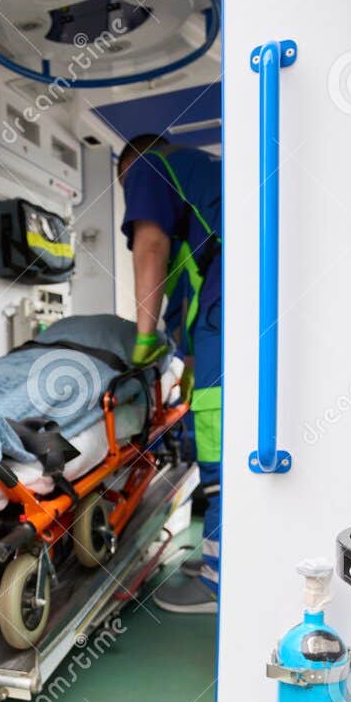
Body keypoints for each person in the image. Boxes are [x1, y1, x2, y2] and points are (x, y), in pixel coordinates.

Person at [118, 133, 223, 613]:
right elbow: (191, 288)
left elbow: (151, 248)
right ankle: (216, 561)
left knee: (218, 442)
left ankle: (221, 583)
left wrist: (143, 338)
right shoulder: (203, 180)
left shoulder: (150, 166)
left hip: (228, 320)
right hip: (227, 323)